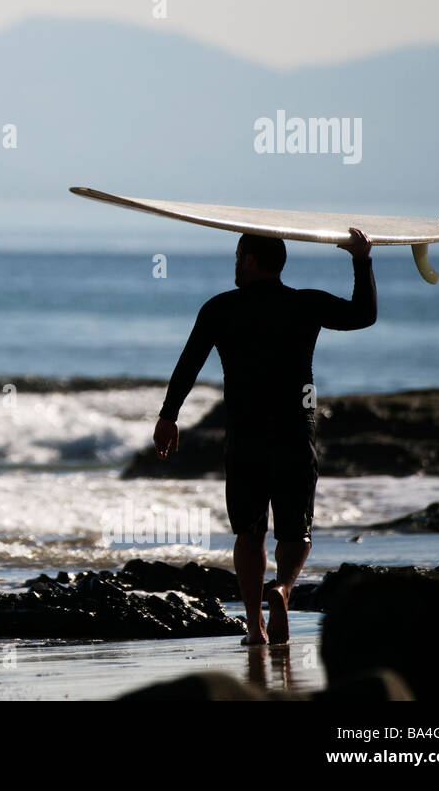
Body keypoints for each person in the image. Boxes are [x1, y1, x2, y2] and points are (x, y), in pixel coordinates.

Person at [153, 229, 376, 646]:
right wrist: (361, 261)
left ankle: (255, 626)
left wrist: (169, 416)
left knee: (249, 532)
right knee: (296, 530)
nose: (235, 263)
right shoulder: (305, 303)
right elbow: (363, 315)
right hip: (295, 431)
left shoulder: (220, 308)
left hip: (246, 435)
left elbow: (188, 365)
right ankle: (284, 589)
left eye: (239, 256)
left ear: (252, 260)